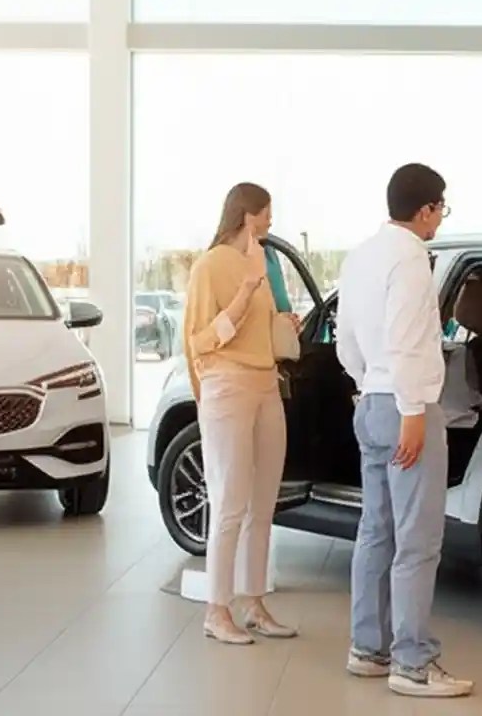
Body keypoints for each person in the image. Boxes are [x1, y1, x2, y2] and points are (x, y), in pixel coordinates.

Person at [335, 163, 474, 698]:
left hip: (370, 400)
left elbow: (346, 337)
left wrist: (369, 383)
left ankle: (367, 649)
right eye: (441, 208)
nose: (441, 217)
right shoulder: (413, 260)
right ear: (426, 210)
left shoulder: (361, 255)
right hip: (405, 407)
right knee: (418, 540)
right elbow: (409, 337)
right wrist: (414, 408)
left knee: (376, 530)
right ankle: (413, 663)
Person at [183, 182, 298, 645]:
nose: (271, 222)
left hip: (266, 383)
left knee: (263, 501)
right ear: (248, 215)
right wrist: (246, 291)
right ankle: (217, 610)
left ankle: (253, 602)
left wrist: (282, 326)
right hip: (227, 386)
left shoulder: (264, 262)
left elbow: (257, 330)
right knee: (230, 501)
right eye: (267, 214)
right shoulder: (211, 266)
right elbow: (200, 341)